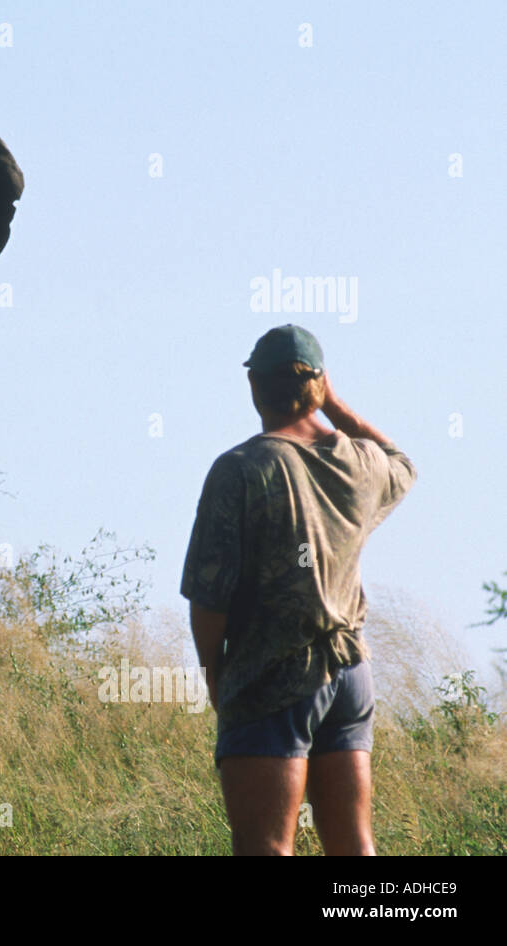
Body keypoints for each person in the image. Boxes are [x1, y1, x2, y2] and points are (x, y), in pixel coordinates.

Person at [181, 324, 416, 855]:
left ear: (253, 387)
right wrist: (333, 404)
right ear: (318, 385)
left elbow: (208, 599)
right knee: (353, 843)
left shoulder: (240, 469)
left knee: (266, 844)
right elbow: (401, 462)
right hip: (351, 673)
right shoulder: (359, 464)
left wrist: (216, 678)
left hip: (271, 676)